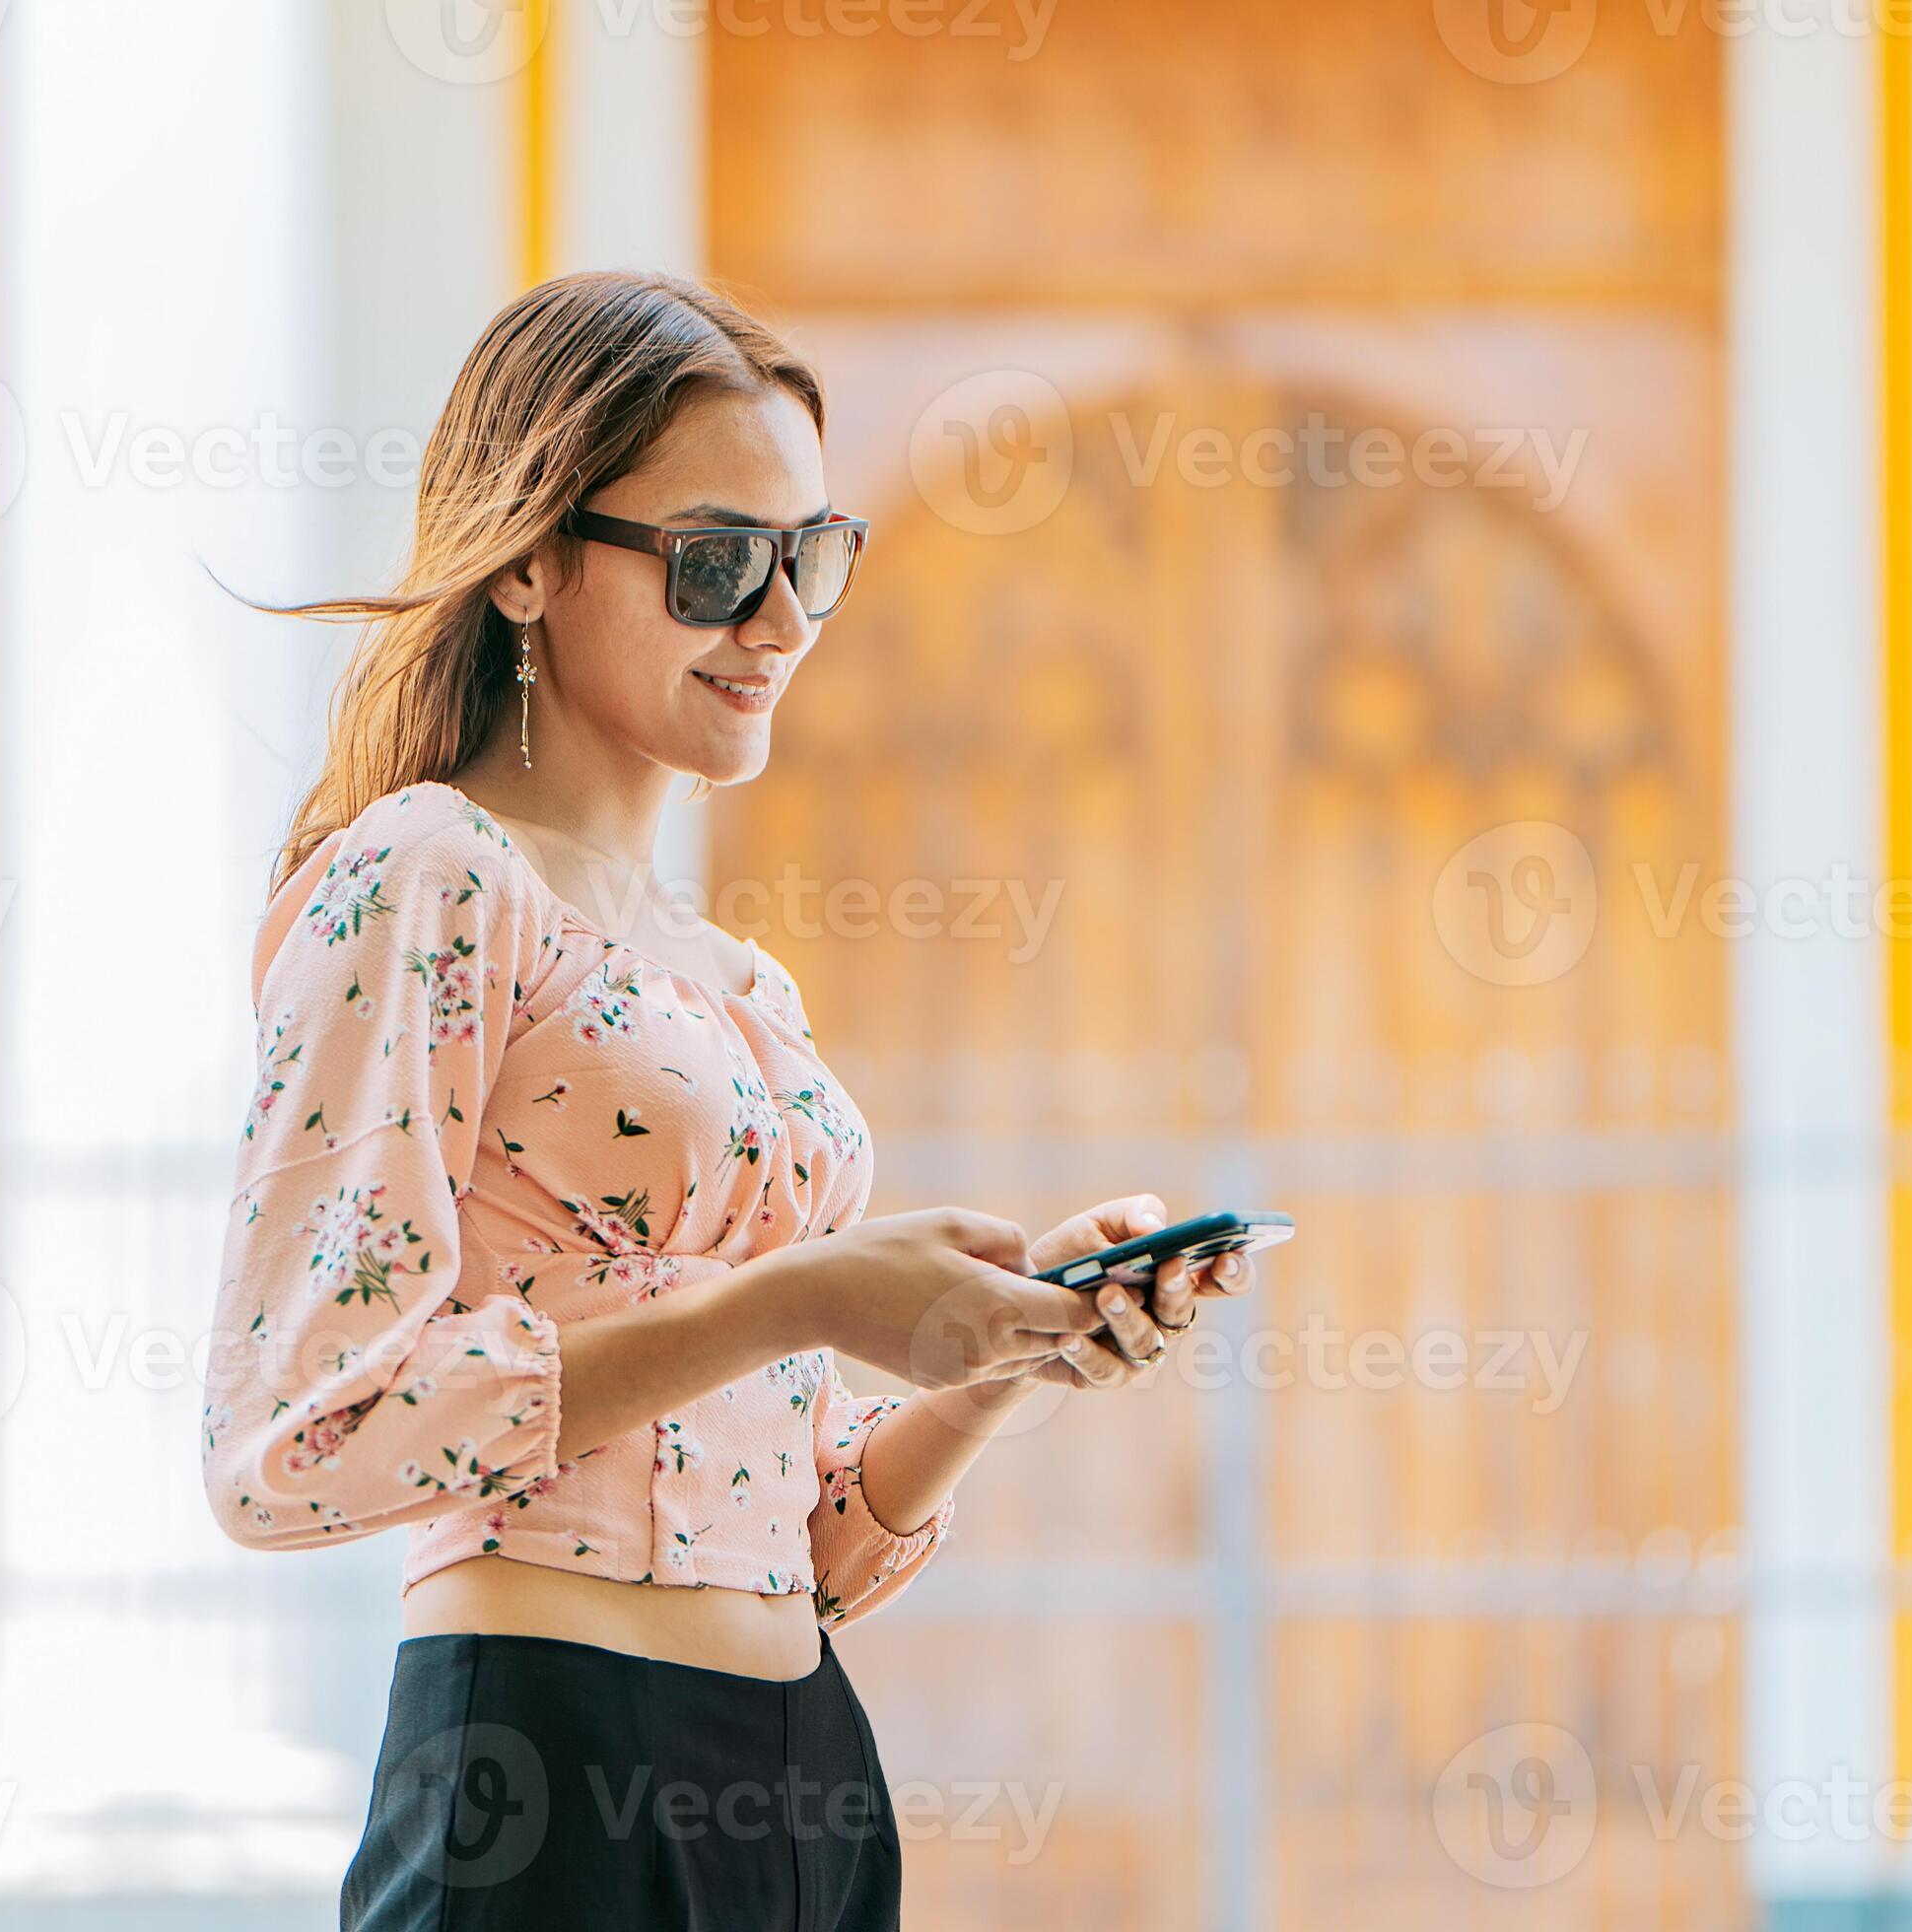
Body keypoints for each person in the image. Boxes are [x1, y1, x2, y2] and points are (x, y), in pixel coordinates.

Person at [198, 270, 1246, 1928]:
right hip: (543, 1779)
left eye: (810, 556)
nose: (776, 624)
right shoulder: (426, 873)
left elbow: (818, 1544)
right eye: (713, 563)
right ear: (532, 561)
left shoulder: (734, 981)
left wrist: (1001, 1353)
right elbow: (293, 1443)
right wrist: (807, 1297)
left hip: (807, 1776)